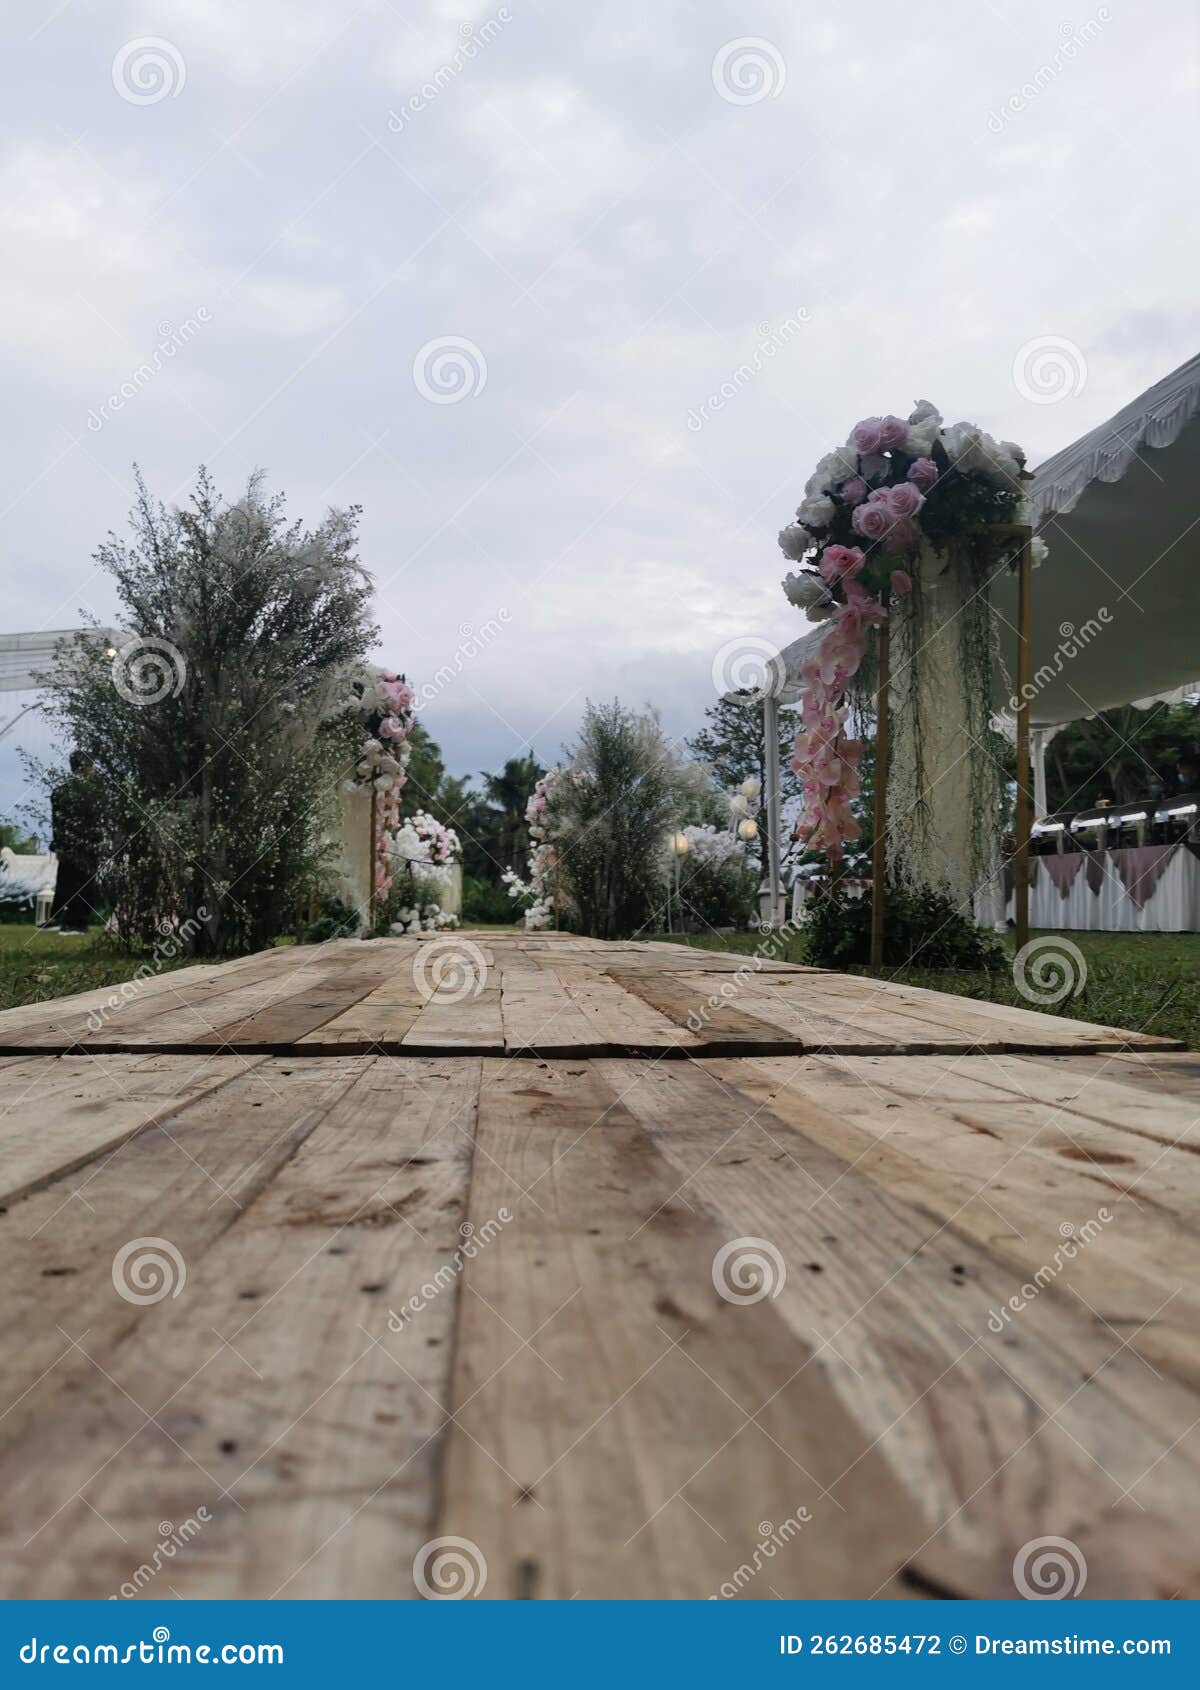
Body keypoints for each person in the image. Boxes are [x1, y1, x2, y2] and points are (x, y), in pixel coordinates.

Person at [49, 751, 101, 933]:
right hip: (86, 845)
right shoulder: (93, 792)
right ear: (87, 766)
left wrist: (58, 845)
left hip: (67, 844)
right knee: (84, 885)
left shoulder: (60, 792)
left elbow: (57, 822)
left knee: (66, 883)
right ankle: (74, 922)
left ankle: (61, 918)